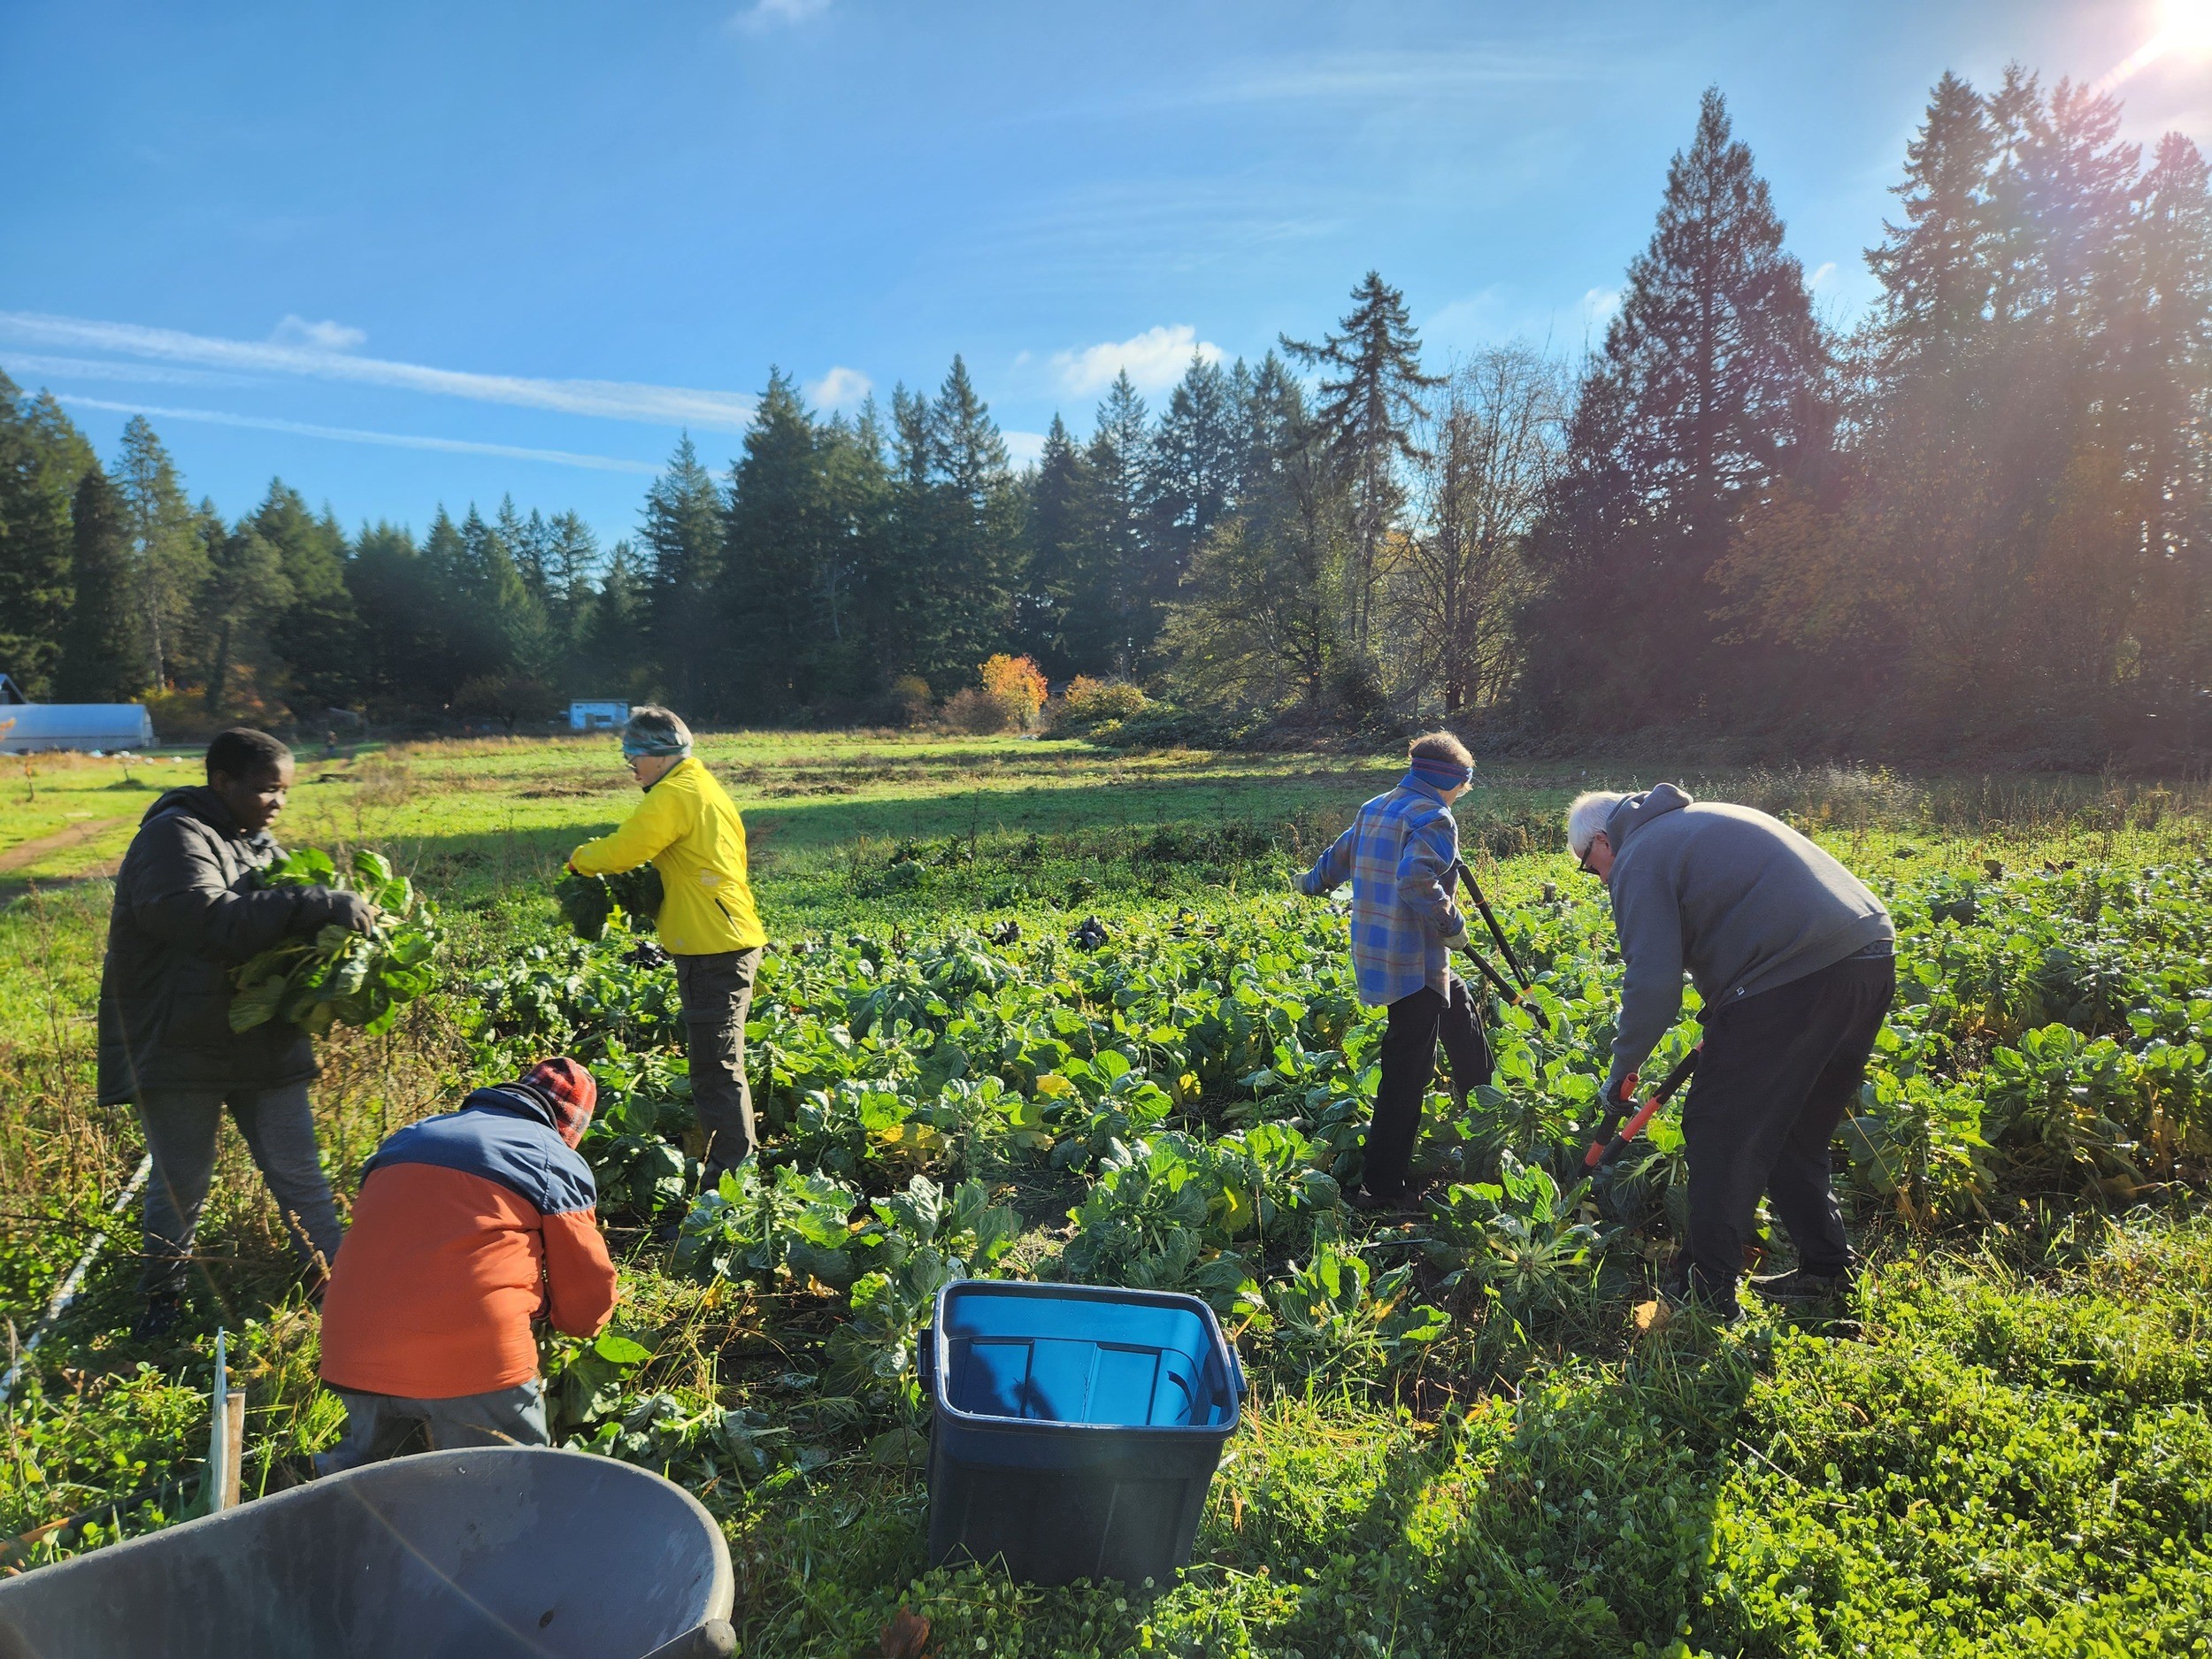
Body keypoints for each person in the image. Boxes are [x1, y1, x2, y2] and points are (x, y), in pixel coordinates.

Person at [1568, 785, 1895, 1317]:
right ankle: (1827, 1271)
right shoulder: (1702, 819)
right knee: (1796, 1129)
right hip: (1869, 957)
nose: (1599, 878)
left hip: (1792, 976)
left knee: (1717, 1127)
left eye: (1589, 867)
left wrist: (1622, 1070)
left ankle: (1706, 1289)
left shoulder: (1639, 855)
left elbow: (1652, 985)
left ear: (1602, 841)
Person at [97, 727, 373, 1340]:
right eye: (266, 789)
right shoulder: (173, 836)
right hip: (179, 1040)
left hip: (260, 1036)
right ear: (222, 782)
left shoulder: (255, 842)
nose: (278, 802)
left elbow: (276, 924)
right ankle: (162, 1302)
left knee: (299, 1171)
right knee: (182, 1180)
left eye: (284, 791)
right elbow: (201, 919)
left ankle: (341, 1289)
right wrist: (314, 904)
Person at [314, 1058, 617, 1471]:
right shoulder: (551, 1155)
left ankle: (305, 1496)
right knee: (506, 1488)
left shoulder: (409, 1137)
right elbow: (585, 1291)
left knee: (373, 1488)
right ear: (569, 1129)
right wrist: (568, 1318)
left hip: (352, 1346)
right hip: (474, 1358)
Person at [567, 706, 765, 1179]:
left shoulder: (673, 794)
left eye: (631, 754)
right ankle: (735, 1164)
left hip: (712, 945)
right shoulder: (700, 785)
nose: (629, 765)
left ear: (658, 754)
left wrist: (581, 860)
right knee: (718, 1063)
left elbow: (626, 850)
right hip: (722, 935)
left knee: (715, 1069)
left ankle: (732, 1173)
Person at [1296, 732, 1493, 1211]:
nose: (1462, 793)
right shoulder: (1435, 816)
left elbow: (1336, 861)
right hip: (1414, 962)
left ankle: (1487, 1101)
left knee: (1458, 1002)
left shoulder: (1376, 807)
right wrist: (1452, 925)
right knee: (1407, 1071)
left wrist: (1310, 882)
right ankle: (1381, 1188)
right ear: (1454, 780)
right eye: (1464, 786)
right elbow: (1415, 879)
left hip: (1378, 950)